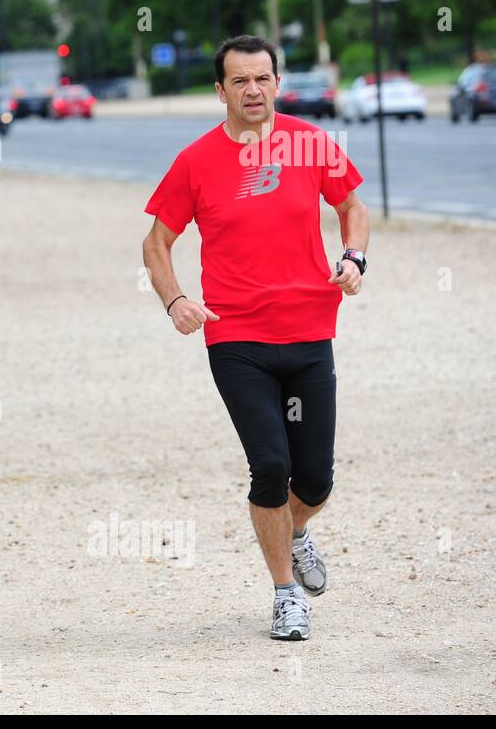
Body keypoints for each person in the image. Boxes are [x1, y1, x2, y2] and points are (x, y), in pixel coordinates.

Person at [141, 34, 369, 642]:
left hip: (310, 328)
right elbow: (157, 243)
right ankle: (285, 594)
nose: (252, 90)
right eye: (239, 80)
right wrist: (175, 300)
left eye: (262, 78)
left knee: (314, 480)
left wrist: (354, 259)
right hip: (236, 337)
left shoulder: (310, 142)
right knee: (270, 466)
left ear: (277, 82)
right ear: (220, 90)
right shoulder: (196, 161)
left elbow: (354, 209)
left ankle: (295, 532)